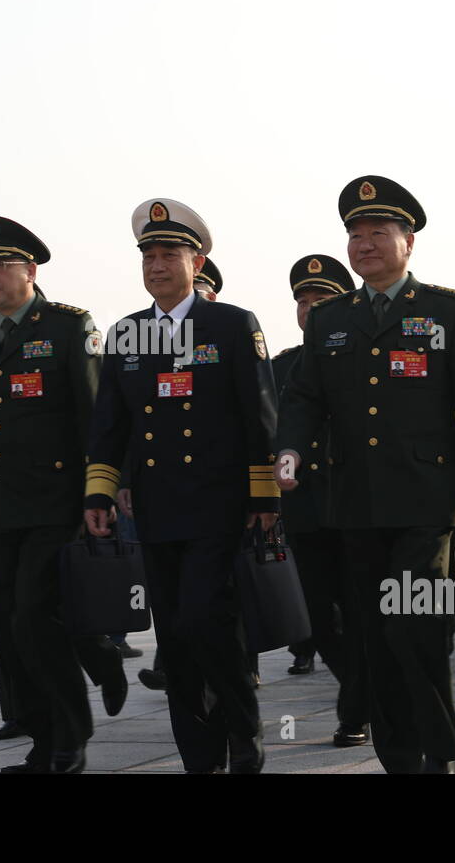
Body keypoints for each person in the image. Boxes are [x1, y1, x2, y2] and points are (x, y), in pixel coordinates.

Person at [275, 175, 455, 774]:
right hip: (356, 502)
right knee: (376, 633)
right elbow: (302, 399)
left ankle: (440, 750)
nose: (364, 244)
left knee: (417, 625)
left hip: (429, 502)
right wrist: (291, 452)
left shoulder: (449, 310)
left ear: (408, 243)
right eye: (355, 234)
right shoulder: (330, 320)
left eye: (379, 232)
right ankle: (400, 755)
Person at [85, 198, 279, 774]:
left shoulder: (231, 323)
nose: (156, 263)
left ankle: (243, 728)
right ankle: (199, 751)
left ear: (196, 261)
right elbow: (108, 424)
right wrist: (99, 492)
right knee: (174, 630)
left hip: (221, 505)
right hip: (157, 505)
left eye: (169, 252)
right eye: (147, 253)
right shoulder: (126, 334)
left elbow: (259, 414)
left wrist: (264, 495)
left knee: (203, 619)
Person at [0, 215, 125, 775]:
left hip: (56, 499)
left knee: (31, 616)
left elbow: (98, 417)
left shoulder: (69, 327)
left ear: (30, 270)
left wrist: (102, 493)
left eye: (0, 265)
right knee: (15, 623)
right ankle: (57, 721)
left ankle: (69, 737)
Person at [273, 253, 370, 745]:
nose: (310, 309)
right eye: (303, 301)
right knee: (311, 614)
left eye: (322, 299)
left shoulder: (363, 354)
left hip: (357, 504)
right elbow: (262, 436)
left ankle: (355, 709)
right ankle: (361, 689)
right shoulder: (282, 366)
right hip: (303, 508)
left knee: (358, 610)